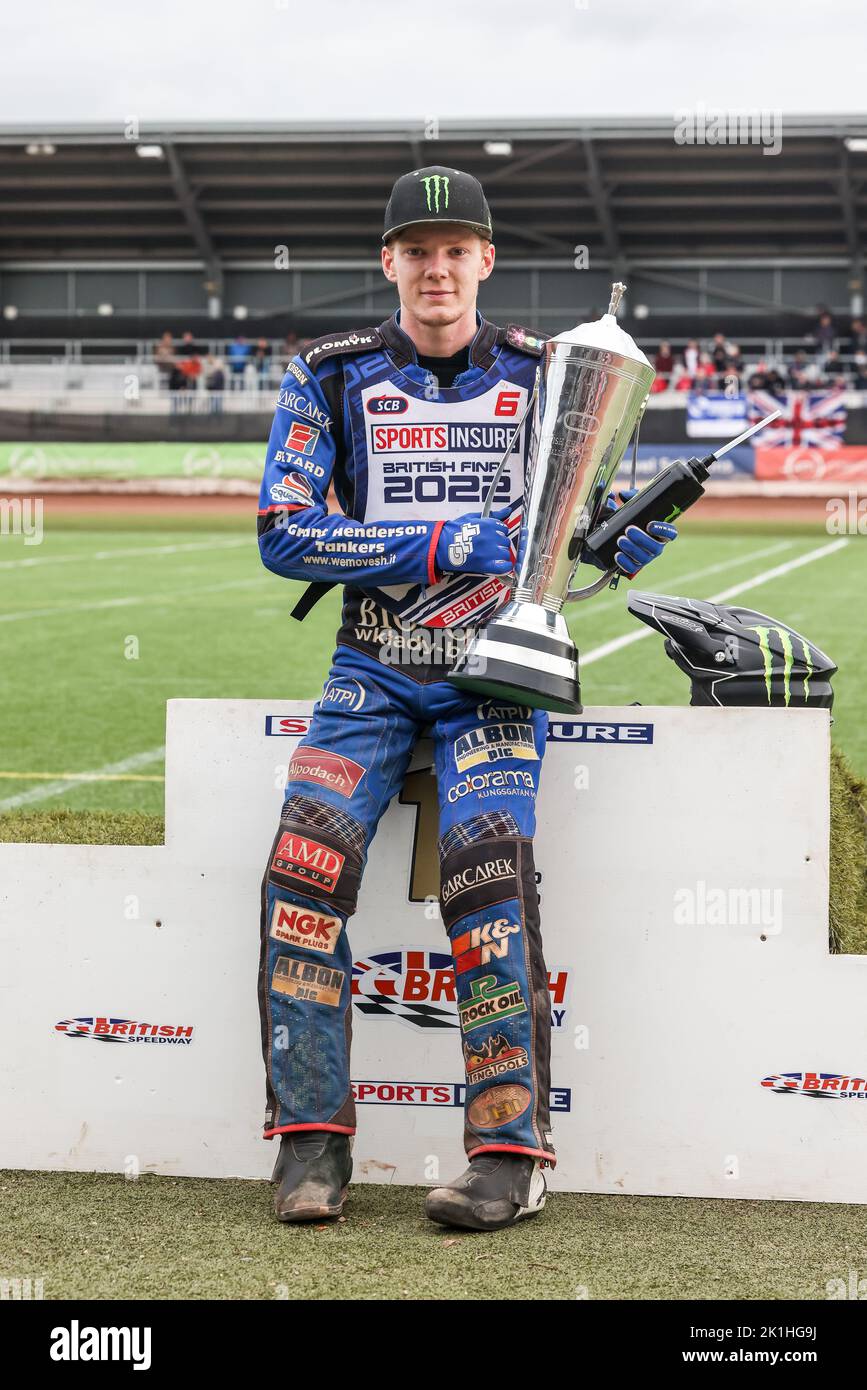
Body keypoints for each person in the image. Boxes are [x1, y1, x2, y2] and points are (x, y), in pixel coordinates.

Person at [255, 165, 678, 1233]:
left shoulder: (551, 373)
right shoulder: (328, 372)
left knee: (488, 890)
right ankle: (312, 1145)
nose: (436, 268)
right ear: (387, 261)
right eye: (417, 249)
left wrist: (619, 532)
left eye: (457, 249)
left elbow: (583, 522)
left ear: (487, 261)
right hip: (370, 667)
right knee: (299, 878)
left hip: (496, 673)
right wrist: (439, 538)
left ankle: (509, 1154)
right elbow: (283, 531)